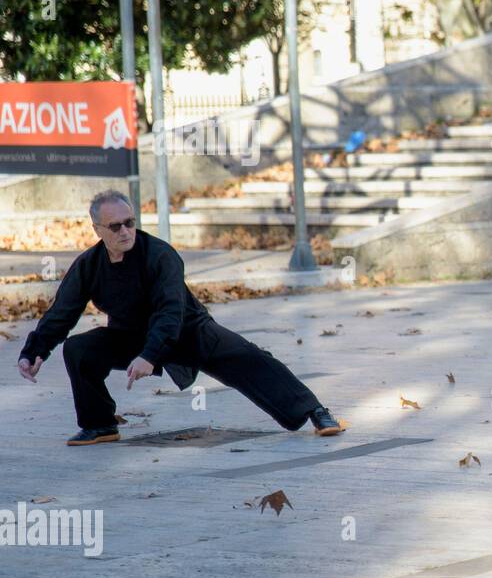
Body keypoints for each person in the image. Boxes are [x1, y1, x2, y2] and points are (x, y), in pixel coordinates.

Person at [15, 190, 344, 445]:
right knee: (79, 349)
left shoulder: (160, 255)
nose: (125, 231)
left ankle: (315, 411)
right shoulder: (88, 265)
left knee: (250, 359)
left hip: (188, 330)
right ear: (97, 229)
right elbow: (62, 312)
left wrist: (149, 355)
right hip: (130, 336)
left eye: (130, 222)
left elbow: (170, 311)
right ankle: (99, 425)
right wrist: (34, 351)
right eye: (115, 226)